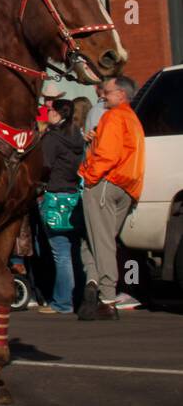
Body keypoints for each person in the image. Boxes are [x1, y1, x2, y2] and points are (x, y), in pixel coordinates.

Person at [77, 76, 145, 321]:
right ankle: (93, 282)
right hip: (127, 187)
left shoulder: (113, 117)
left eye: (106, 91)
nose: (102, 95)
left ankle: (106, 299)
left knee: (101, 241)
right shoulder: (133, 119)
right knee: (94, 240)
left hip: (106, 183)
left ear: (121, 95)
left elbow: (107, 155)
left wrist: (88, 175)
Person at [37, 98, 84, 315]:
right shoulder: (77, 136)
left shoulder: (52, 138)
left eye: (49, 110)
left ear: (56, 113)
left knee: (60, 252)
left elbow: (44, 165)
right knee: (74, 250)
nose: (47, 113)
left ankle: (62, 301)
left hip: (54, 194)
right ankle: (78, 295)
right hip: (73, 194)